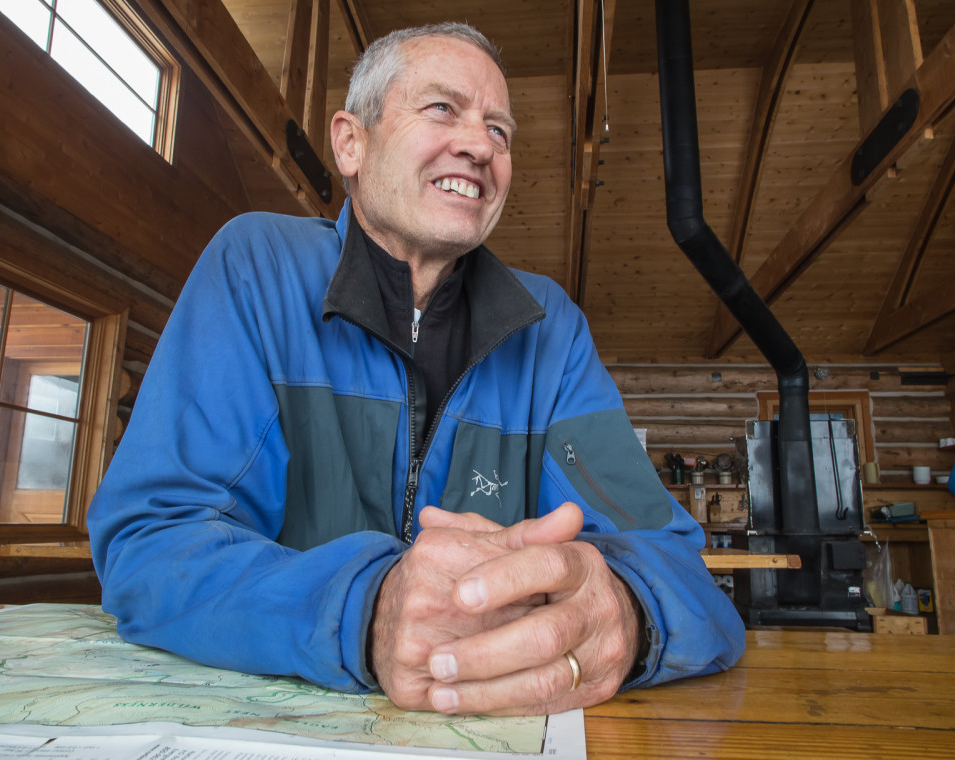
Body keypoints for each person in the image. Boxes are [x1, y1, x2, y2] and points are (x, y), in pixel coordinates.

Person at [87, 22, 744, 717]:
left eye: (500, 130)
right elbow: (150, 544)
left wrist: (627, 613)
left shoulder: (551, 328)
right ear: (351, 141)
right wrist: (367, 612)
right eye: (442, 109)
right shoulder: (256, 268)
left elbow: (682, 573)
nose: (480, 144)